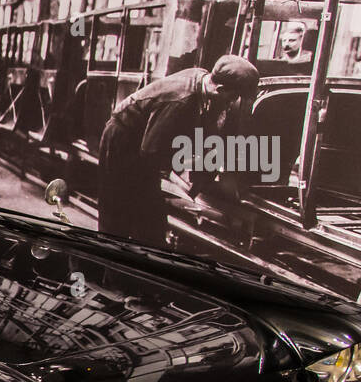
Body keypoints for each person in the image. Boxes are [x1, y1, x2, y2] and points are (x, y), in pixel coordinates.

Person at [97, 54, 260, 247]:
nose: (233, 102)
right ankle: (107, 268)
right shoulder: (180, 101)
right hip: (123, 140)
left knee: (149, 218)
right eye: (233, 96)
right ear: (220, 89)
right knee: (118, 212)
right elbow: (151, 151)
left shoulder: (202, 78)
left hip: (143, 143)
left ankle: (141, 257)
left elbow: (204, 123)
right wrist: (181, 173)